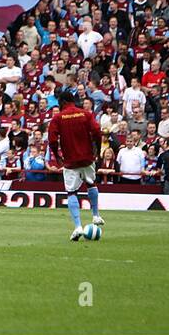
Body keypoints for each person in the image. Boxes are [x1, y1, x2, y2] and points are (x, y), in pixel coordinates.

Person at [46, 89, 104, 242]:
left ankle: (78, 226)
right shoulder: (85, 114)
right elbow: (97, 131)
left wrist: (57, 155)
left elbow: (52, 139)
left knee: (72, 192)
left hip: (70, 160)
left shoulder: (58, 118)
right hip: (87, 157)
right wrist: (97, 148)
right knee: (91, 183)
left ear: (63, 102)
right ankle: (96, 215)